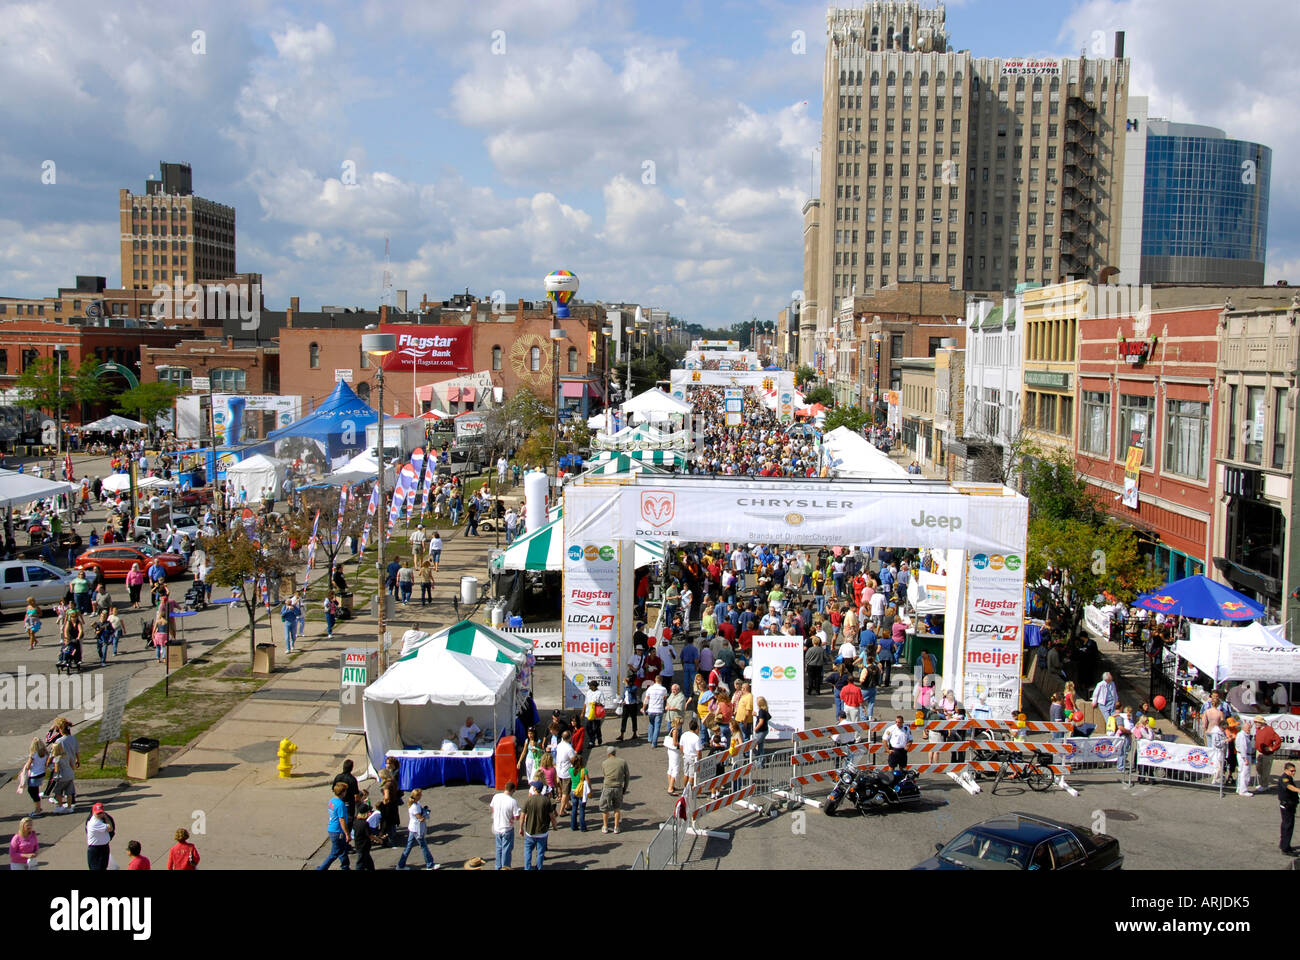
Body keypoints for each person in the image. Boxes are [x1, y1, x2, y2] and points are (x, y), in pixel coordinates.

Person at [397, 788, 439, 870]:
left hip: (412, 829)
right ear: (417, 796)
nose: (421, 796)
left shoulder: (417, 803)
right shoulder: (414, 807)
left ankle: (400, 865)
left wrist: (424, 810)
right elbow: (420, 818)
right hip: (417, 829)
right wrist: (426, 813)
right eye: (420, 794)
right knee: (424, 846)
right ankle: (430, 865)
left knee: (409, 847)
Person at [317, 782, 353, 871]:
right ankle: (322, 868)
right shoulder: (341, 804)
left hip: (332, 828)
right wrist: (347, 833)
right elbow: (342, 820)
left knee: (342, 850)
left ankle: (345, 867)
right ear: (343, 792)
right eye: (345, 791)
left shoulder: (332, 801)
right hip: (338, 831)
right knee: (335, 853)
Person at [490, 781, 522, 869]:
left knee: (499, 848)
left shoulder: (496, 796)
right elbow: (516, 817)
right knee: (506, 850)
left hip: (497, 827)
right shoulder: (512, 801)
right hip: (507, 828)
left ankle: (498, 866)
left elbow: (492, 807)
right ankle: (506, 867)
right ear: (512, 790)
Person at [600, 746, 631, 835]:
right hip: (618, 787)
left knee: (605, 808)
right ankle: (616, 827)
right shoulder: (622, 762)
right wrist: (625, 788)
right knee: (617, 808)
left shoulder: (604, 763)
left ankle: (605, 826)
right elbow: (627, 776)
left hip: (607, 787)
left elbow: (604, 775)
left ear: (608, 754)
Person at [85, 802, 116, 871]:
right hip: (96, 849)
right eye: (98, 813)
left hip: (104, 847)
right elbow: (110, 828)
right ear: (93, 812)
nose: (99, 815)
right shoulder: (94, 822)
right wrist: (105, 817)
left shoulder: (101, 820)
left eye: (101, 813)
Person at [332, 759, 362, 825]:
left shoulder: (338, 777)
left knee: (338, 817)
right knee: (348, 820)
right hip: (349, 803)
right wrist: (359, 802)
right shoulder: (352, 779)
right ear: (351, 768)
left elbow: (333, 789)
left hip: (339, 800)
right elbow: (356, 795)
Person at [1280, 762, 1300, 855]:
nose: (1293, 773)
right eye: (1292, 771)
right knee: (1288, 826)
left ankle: (1284, 844)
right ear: (1286, 770)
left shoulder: (1289, 777)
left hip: (1290, 805)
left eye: (1294, 771)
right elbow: (1289, 786)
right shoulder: (1284, 778)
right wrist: (1298, 790)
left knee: (1286, 825)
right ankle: (1286, 848)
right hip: (1287, 806)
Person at [644, 675, 668, 748]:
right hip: (659, 709)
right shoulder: (664, 689)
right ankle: (654, 743)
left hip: (651, 709)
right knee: (657, 726)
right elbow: (665, 698)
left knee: (651, 724)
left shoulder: (650, 689)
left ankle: (650, 738)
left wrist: (643, 707)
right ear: (661, 680)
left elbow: (646, 699)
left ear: (655, 680)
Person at [617, 671, 641, 741]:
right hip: (626, 705)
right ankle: (622, 734)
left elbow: (630, 691)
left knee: (634, 718)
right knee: (624, 719)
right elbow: (625, 694)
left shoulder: (634, 687)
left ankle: (634, 733)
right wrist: (623, 700)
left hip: (633, 705)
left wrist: (627, 684)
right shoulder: (626, 687)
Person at [569, 754, 591, 832]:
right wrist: (590, 790)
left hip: (573, 791)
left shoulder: (570, 770)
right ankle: (583, 827)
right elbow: (588, 782)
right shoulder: (584, 770)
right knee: (582, 809)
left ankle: (573, 825)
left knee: (574, 808)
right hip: (581, 792)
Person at [680, 719, 703, 790]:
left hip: (686, 756)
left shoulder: (684, 734)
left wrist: (684, 753)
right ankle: (689, 790)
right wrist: (699, 759)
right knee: (692, 775)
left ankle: (684, 788)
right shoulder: (696, 738)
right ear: (696, 728)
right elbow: (699, 751)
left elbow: (681, 746)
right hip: (693, 757)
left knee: (686, 774)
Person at [352, 803, 376, 871]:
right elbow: (369, 835)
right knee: (360, 863)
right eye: (369, 812)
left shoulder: (356, 821)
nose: (370, 813)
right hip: (364, 846)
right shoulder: (365, 823)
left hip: (358, 844)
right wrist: (379, 840)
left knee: (368, 861)